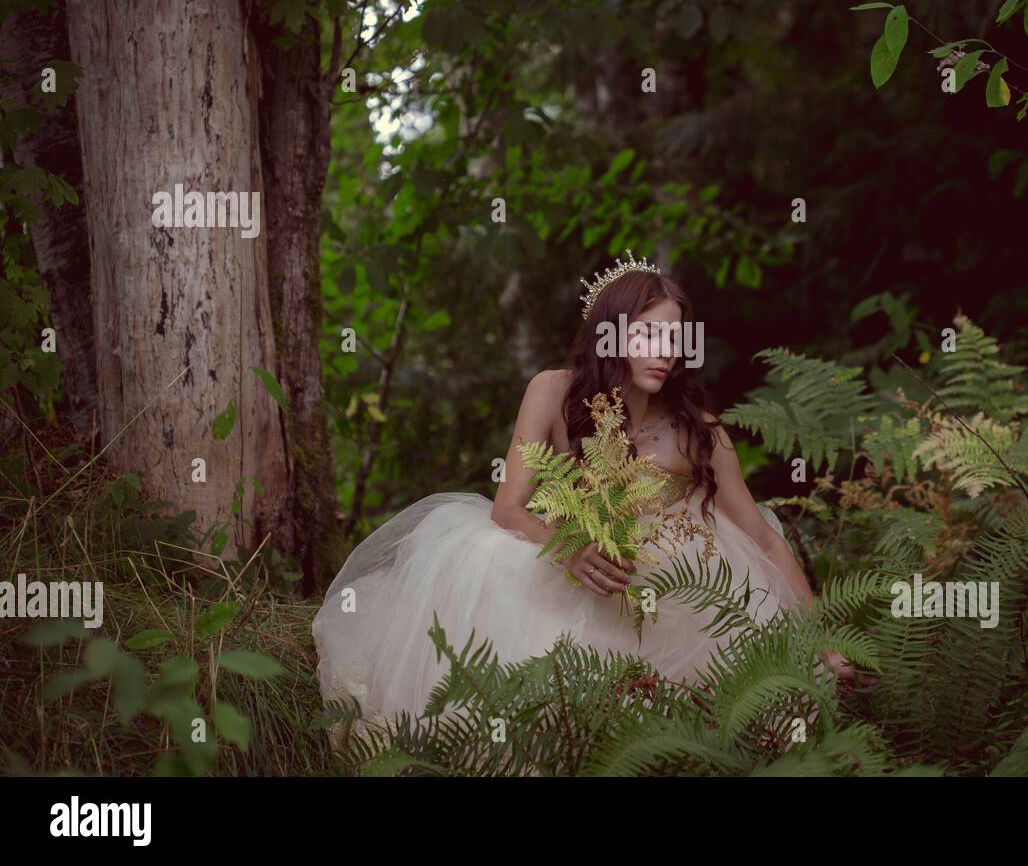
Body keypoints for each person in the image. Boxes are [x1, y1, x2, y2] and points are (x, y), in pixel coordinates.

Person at [312, 251, 853, 739]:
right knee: (485, 564)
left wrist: (825, 640)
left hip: (660, 588)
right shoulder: (552, 391)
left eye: (674, 338)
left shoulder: (696, 431)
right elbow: (507, 507)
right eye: (646, 335)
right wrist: (568, 548)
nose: (664, 352)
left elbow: (762, 537)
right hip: (566, 560)